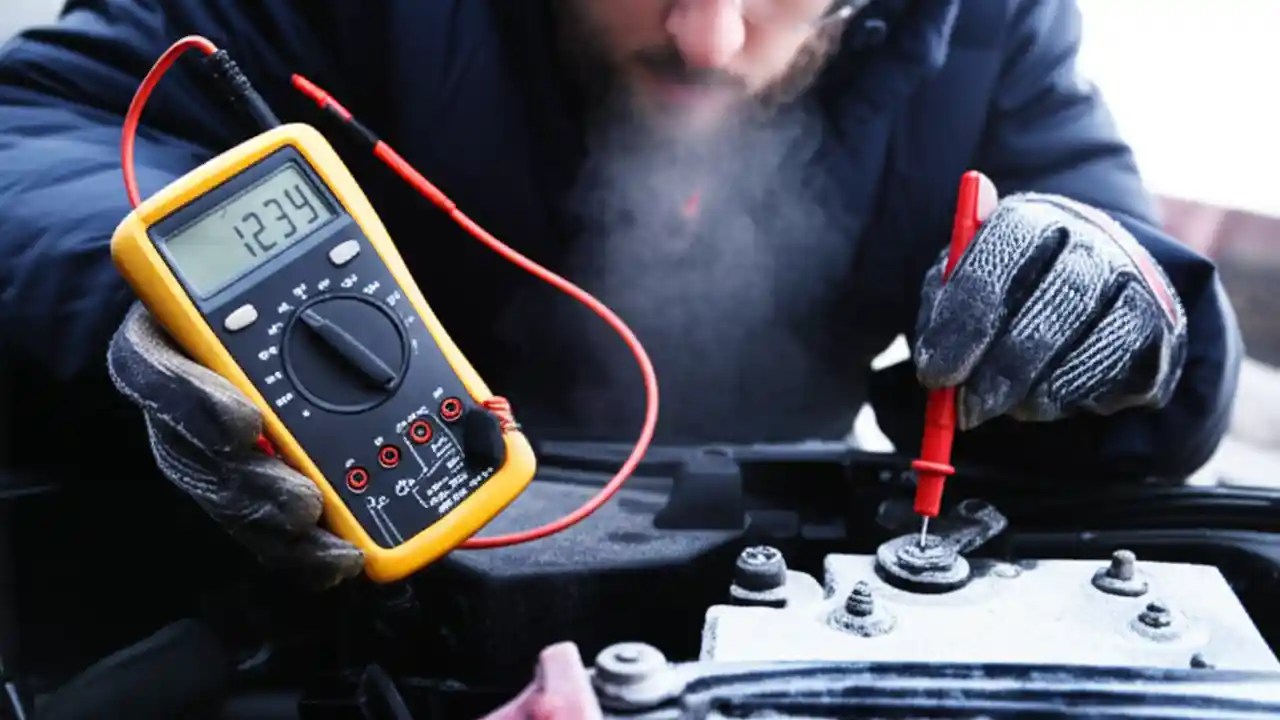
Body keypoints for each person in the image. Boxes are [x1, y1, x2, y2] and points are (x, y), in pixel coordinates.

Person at [0, 0, 1242, 597]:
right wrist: (155, 304)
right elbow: (36, 126)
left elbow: (1124, 271)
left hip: (792, 564)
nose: (704, 36)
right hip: (363, 559)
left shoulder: (995, 24)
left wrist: (1133, 316)